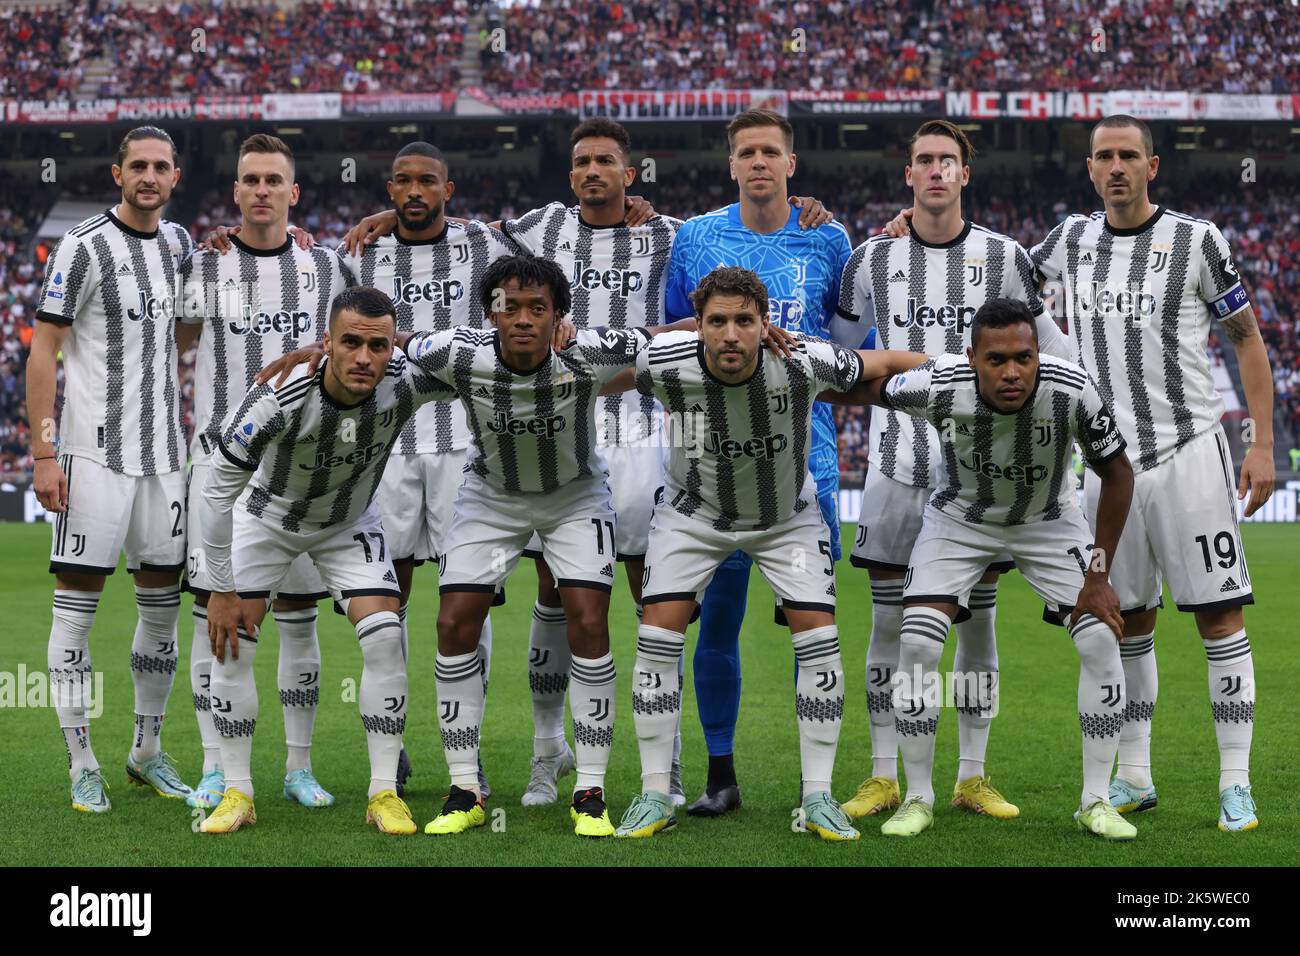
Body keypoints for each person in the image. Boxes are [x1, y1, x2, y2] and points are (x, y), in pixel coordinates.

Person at [615, 265, 928, 840]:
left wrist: (962, 373)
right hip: (691, 517)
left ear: (765, 325)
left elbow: (886, 366)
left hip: (786, 519)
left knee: (818, 640)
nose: (730, 334)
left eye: (744, 321)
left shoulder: (806, 359)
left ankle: (818, 798)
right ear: (698, 327)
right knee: (657, 638)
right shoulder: (663, 362)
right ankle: (655, 793)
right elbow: (594, 373)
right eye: (717, 322)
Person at [1030, 116, 1274, 832]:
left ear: (1152, 166)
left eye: (1128, 156)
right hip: (1110, 466)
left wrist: (1259, 444)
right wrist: (905, 222)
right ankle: (1134, 775)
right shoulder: (1069, 240)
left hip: (1191, 453)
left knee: (1219, 616)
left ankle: (1235, 782)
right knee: (1124, 618)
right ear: (1090, 169)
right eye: (1103, 157)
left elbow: (1247, 340)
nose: (1115, 167)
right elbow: (987, 265)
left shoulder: (1197, 241)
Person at [835, 120, 1075, 822]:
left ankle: (972, 775)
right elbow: (844, 358)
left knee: (975, 627)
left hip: (985, 478)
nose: (935, 171)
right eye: (923, 161)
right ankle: (883, 775)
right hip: (895, 463)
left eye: (947, 161)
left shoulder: (1004, 255)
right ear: (906, 174)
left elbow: (1047, 348)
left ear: (965, 174)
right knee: (889, 628)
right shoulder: (869, 258)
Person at [861, 297, 1137, 840]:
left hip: (1049, 520)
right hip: (959, 519)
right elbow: (863, 380)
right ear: (971, 358)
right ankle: (917, 797)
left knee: (1101, 641)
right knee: (917, 643)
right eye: (996, 360)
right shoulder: (940, 383)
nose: (1012, 372)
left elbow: (1118, 472)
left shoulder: (1072, 387)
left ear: (1037, 353)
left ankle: (1097, 801)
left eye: (1023, 357)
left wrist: (1098, 575)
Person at [197, 286, 457, 835]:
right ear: (327, 344)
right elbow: (216, 491)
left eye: (379, 345)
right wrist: (220, 590)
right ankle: (237, 792)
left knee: (386, 634)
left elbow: (476, 355)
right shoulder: (279, 395)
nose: (364, 358)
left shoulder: (404, 381)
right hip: (266, 521)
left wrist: (410, 343)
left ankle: (384, 792)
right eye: (351, 343)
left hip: (347, 523)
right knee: (233, 642)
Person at [663, 108, 855, 816]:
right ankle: (720, 776)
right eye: (746, 152)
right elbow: (673, 349)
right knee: (716, 623)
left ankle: (820, 791)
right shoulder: (695, 237)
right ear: (732, 164)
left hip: (810, 465)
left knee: (814, 630)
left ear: (791, 163)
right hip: (715, 467)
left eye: (771, 151)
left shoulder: (828, 237)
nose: (759, 163)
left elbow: (854, 342)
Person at [178, 133, 354, 810]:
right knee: (211, 616)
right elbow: (179, 342)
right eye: (249, 180)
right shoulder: (205, 267)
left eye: (272, 181)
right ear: (235, 192)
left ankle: (299, 768)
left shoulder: (327, 267)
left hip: (301, 465)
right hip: (221, 459)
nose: (260, 190)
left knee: (300, 618)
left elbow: (351, 341)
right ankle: (216, 766)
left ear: (293, 192)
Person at [31, 126, 195, 812]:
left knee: (162, 612)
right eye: (138, 166)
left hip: (165, 457)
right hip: (92, 454)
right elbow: (44, 349)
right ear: (117, 172)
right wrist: (43, 452)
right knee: (77, 610)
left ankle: (147, 753)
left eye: (161, 166)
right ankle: (80, 763)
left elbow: (184, 333)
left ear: (176, 176)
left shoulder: (182, 245)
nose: (149, 176)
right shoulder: (83, 244)